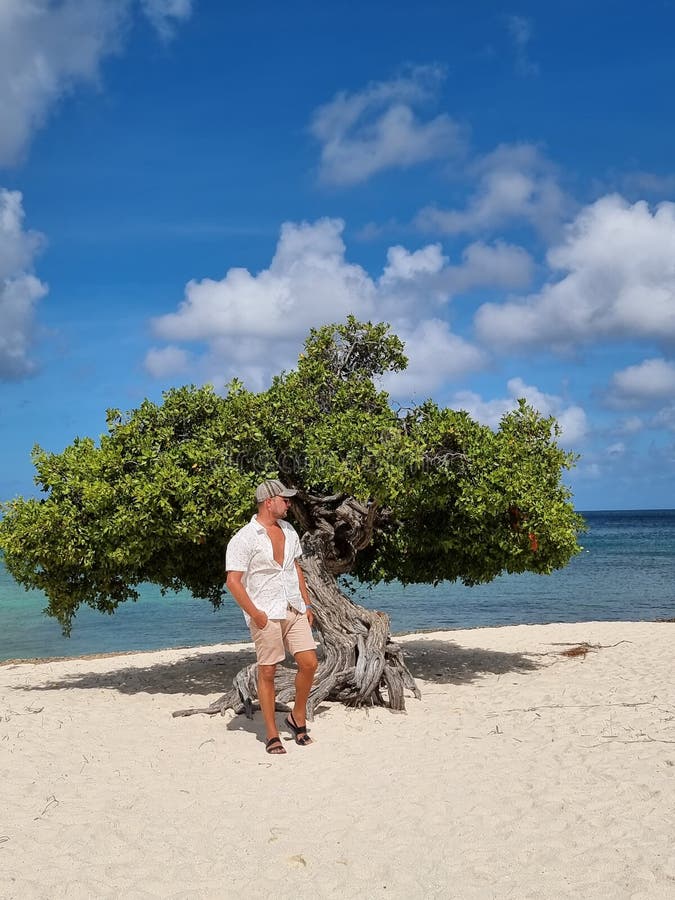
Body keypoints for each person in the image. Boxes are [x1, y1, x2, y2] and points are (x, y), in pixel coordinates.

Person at [225, 479, 318, 755]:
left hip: (293, 607)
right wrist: (256, 614)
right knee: (268, 671)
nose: (288, 504)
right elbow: (233, 581)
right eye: (284, 500)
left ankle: (296, 716)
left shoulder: (289, 530)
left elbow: (295, 567)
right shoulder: (244, 538)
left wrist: (307, 603)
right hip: (266, 611)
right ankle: (272, 733)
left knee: (309, 663)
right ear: (269, 502)